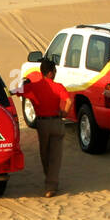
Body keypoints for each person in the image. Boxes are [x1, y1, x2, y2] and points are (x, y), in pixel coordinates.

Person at [20, 58, 68, 197]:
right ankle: (51, 185)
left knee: (45, 153)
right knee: (55, 156)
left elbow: (15, 91)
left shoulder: (33, 87)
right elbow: (69, 100)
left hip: (42, 124)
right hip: (56, 122)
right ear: (51, 73)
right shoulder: (58, 86)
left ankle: (49, 182)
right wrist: (64, 112)